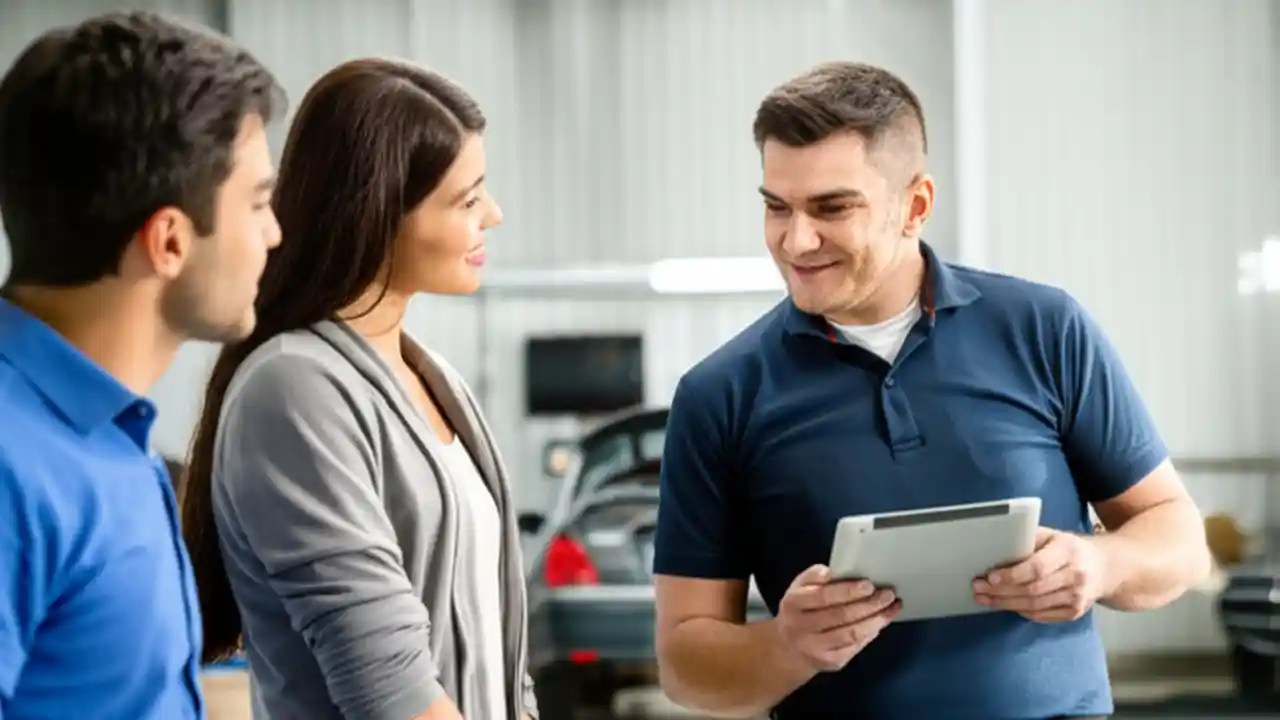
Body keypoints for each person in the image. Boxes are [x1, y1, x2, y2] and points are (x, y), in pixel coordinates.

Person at [652, 61, 1212, 719]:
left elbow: (1179, 542)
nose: (795, 240)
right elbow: (685, 663)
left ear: (915, 205)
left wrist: (1100, 564)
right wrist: (786, 646)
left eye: (832, 208)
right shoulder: (720, 395)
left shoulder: (1043, 330)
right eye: (777, 207)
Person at [181, 58, 537, 720]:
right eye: (466, 199)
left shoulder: (436, 378)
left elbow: (502, 657)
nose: (493, 214)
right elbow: (389, 688)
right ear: (380, 214)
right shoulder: (294, 389)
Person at [0, 10, 282, 720]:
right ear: (168, 241)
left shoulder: (109, 439)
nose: (275, 235)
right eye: (258, 204)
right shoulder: (14, 462)